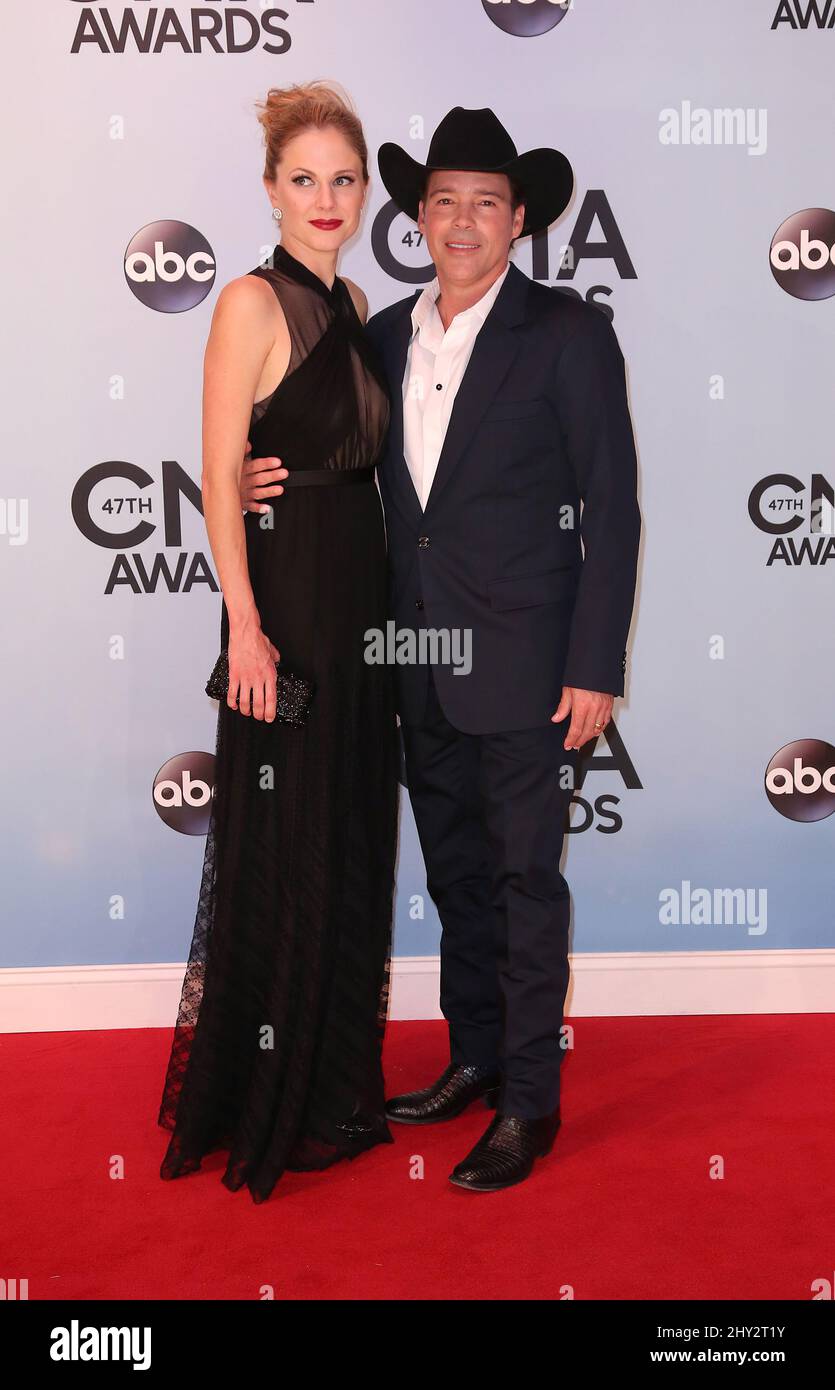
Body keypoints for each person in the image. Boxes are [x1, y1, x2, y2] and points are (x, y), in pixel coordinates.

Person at [240, 106, 642, 1193]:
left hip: (526, 666)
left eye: (486, 204)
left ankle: (527, 1102)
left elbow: (614, 506)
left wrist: (594, 662)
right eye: (444, 200)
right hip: (410, 658)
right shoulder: (376, 336)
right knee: (461, 877)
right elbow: (319, 453)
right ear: (416, 216)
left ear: (518, 222)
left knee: (522, 883)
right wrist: (247, 478)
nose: (462, 222)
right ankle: (470, 1056)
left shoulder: (564, 332)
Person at [157, 81, 398, 1204]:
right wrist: (245, 629)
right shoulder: (248, 304)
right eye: (304, 178)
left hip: (361, 587)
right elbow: (218, 476)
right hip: (287, 599)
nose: (326, 196)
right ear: (269, 189)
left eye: (343, 178)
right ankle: (275, 1099)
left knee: (346, 828)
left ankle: (336, 1082)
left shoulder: (350, 297)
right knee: (287, 834)